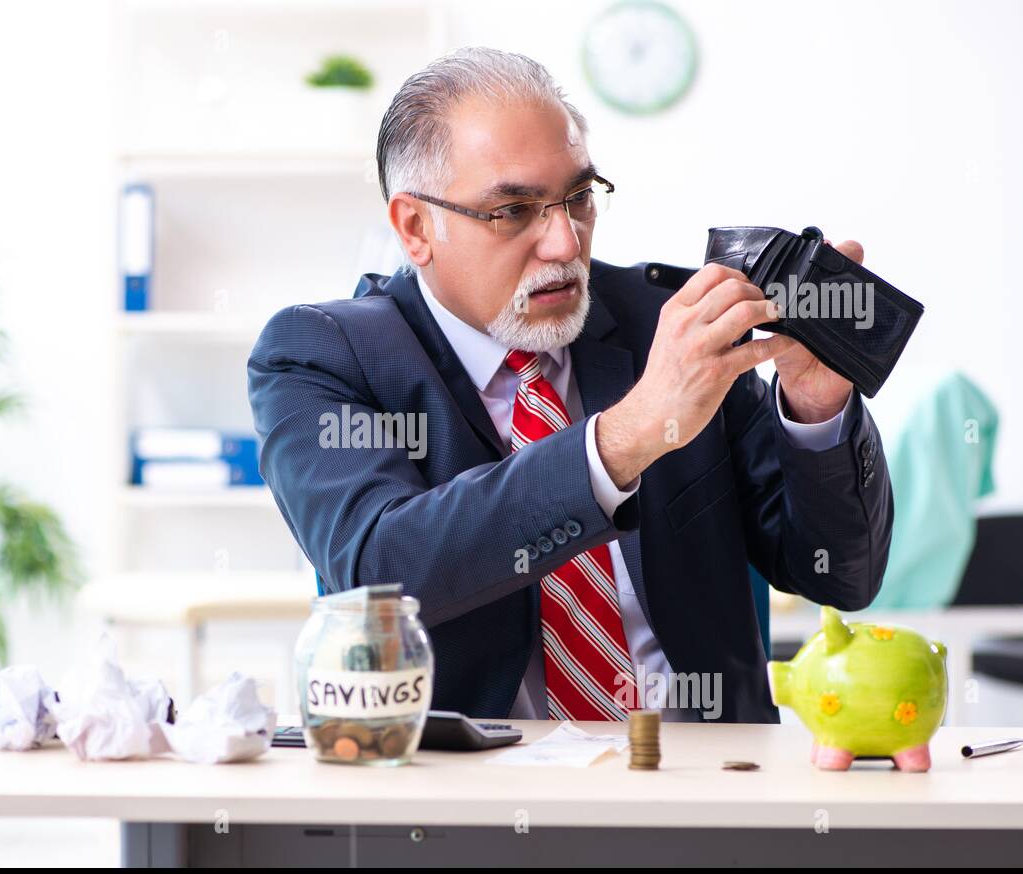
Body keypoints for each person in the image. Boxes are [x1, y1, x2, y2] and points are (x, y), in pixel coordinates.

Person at [248, 48, 892, 722]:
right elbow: (382, 573)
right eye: (513, 211)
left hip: (702, 787)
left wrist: (817, 406)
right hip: (465, 802)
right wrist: (623, 439)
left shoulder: (662, 326)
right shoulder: (320, 355)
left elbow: (836, 575)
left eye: (579, 198)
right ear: (416, 227)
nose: (563, 242)